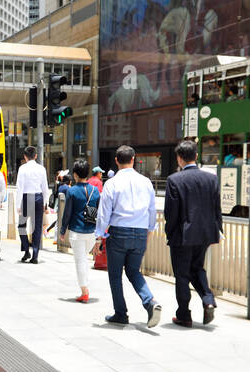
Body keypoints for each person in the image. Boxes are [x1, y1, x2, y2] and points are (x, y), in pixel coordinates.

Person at [93, 145, 162, 327]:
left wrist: (99, 237)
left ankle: (121, 313)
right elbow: (151, 210)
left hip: (118, 231)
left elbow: (104, 213)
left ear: (116, 161)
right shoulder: (146, 182)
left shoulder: (112, 183)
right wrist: (148, 231)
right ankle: (150, 302)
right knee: (133, 271)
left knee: (115, 274)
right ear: (134, 160)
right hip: (139, 231)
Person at [164, 140, 222, 326]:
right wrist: (217, 230)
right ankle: (208, 299)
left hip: (182, 235)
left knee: (182, 275)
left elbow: (171, 213)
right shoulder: (211, 178)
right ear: (196, 157)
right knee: (197, 268)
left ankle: (184, 314)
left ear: (179, 159)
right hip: (205, 234)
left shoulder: (174, 180)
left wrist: (169, 232)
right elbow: (216, 208)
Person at [59, 159, 101, 304]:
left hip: (77, 232)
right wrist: (99, 236)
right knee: (83, 259)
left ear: (75, 175)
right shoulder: (95, 191)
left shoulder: (72, 191)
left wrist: (63, 230)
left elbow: (67, 213)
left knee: (80, 261)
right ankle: (85, 287)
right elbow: (99, 213)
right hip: (92, 232)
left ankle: (84, 291)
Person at [15, 145, 50, 264]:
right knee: (37, 227)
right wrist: (45, 203)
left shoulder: (22, 169)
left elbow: (19, 187)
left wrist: (18, 205)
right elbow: (45, 187)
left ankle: (26, 250)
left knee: (21, 226)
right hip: (38, 197)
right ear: (35, 156)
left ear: (25, 157)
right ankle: (35, 255)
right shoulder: (42, 168)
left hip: (26, 197)